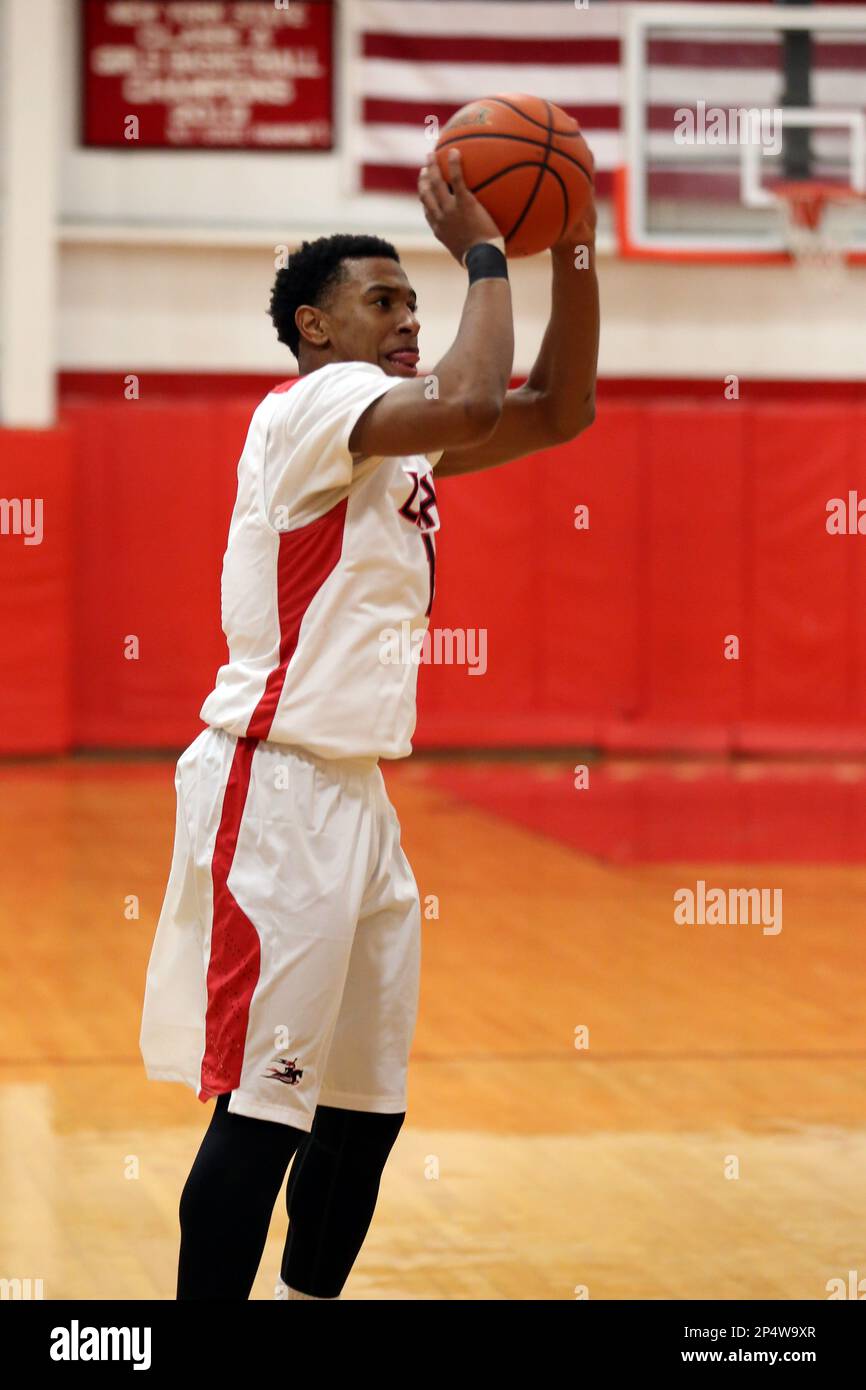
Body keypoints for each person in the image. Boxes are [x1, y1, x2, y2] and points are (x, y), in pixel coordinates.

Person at [139, 148, 598, 1300]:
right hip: (275, 792)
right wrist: (488, 251)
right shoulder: (310, 407)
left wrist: (575, 240)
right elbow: (478, 395)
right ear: (314, 326)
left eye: (416, 300)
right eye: (383, 302)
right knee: (265, 1107)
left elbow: (558, 411)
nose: (408, 319)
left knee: (362, 1110)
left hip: (354, 797)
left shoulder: (387, 438)